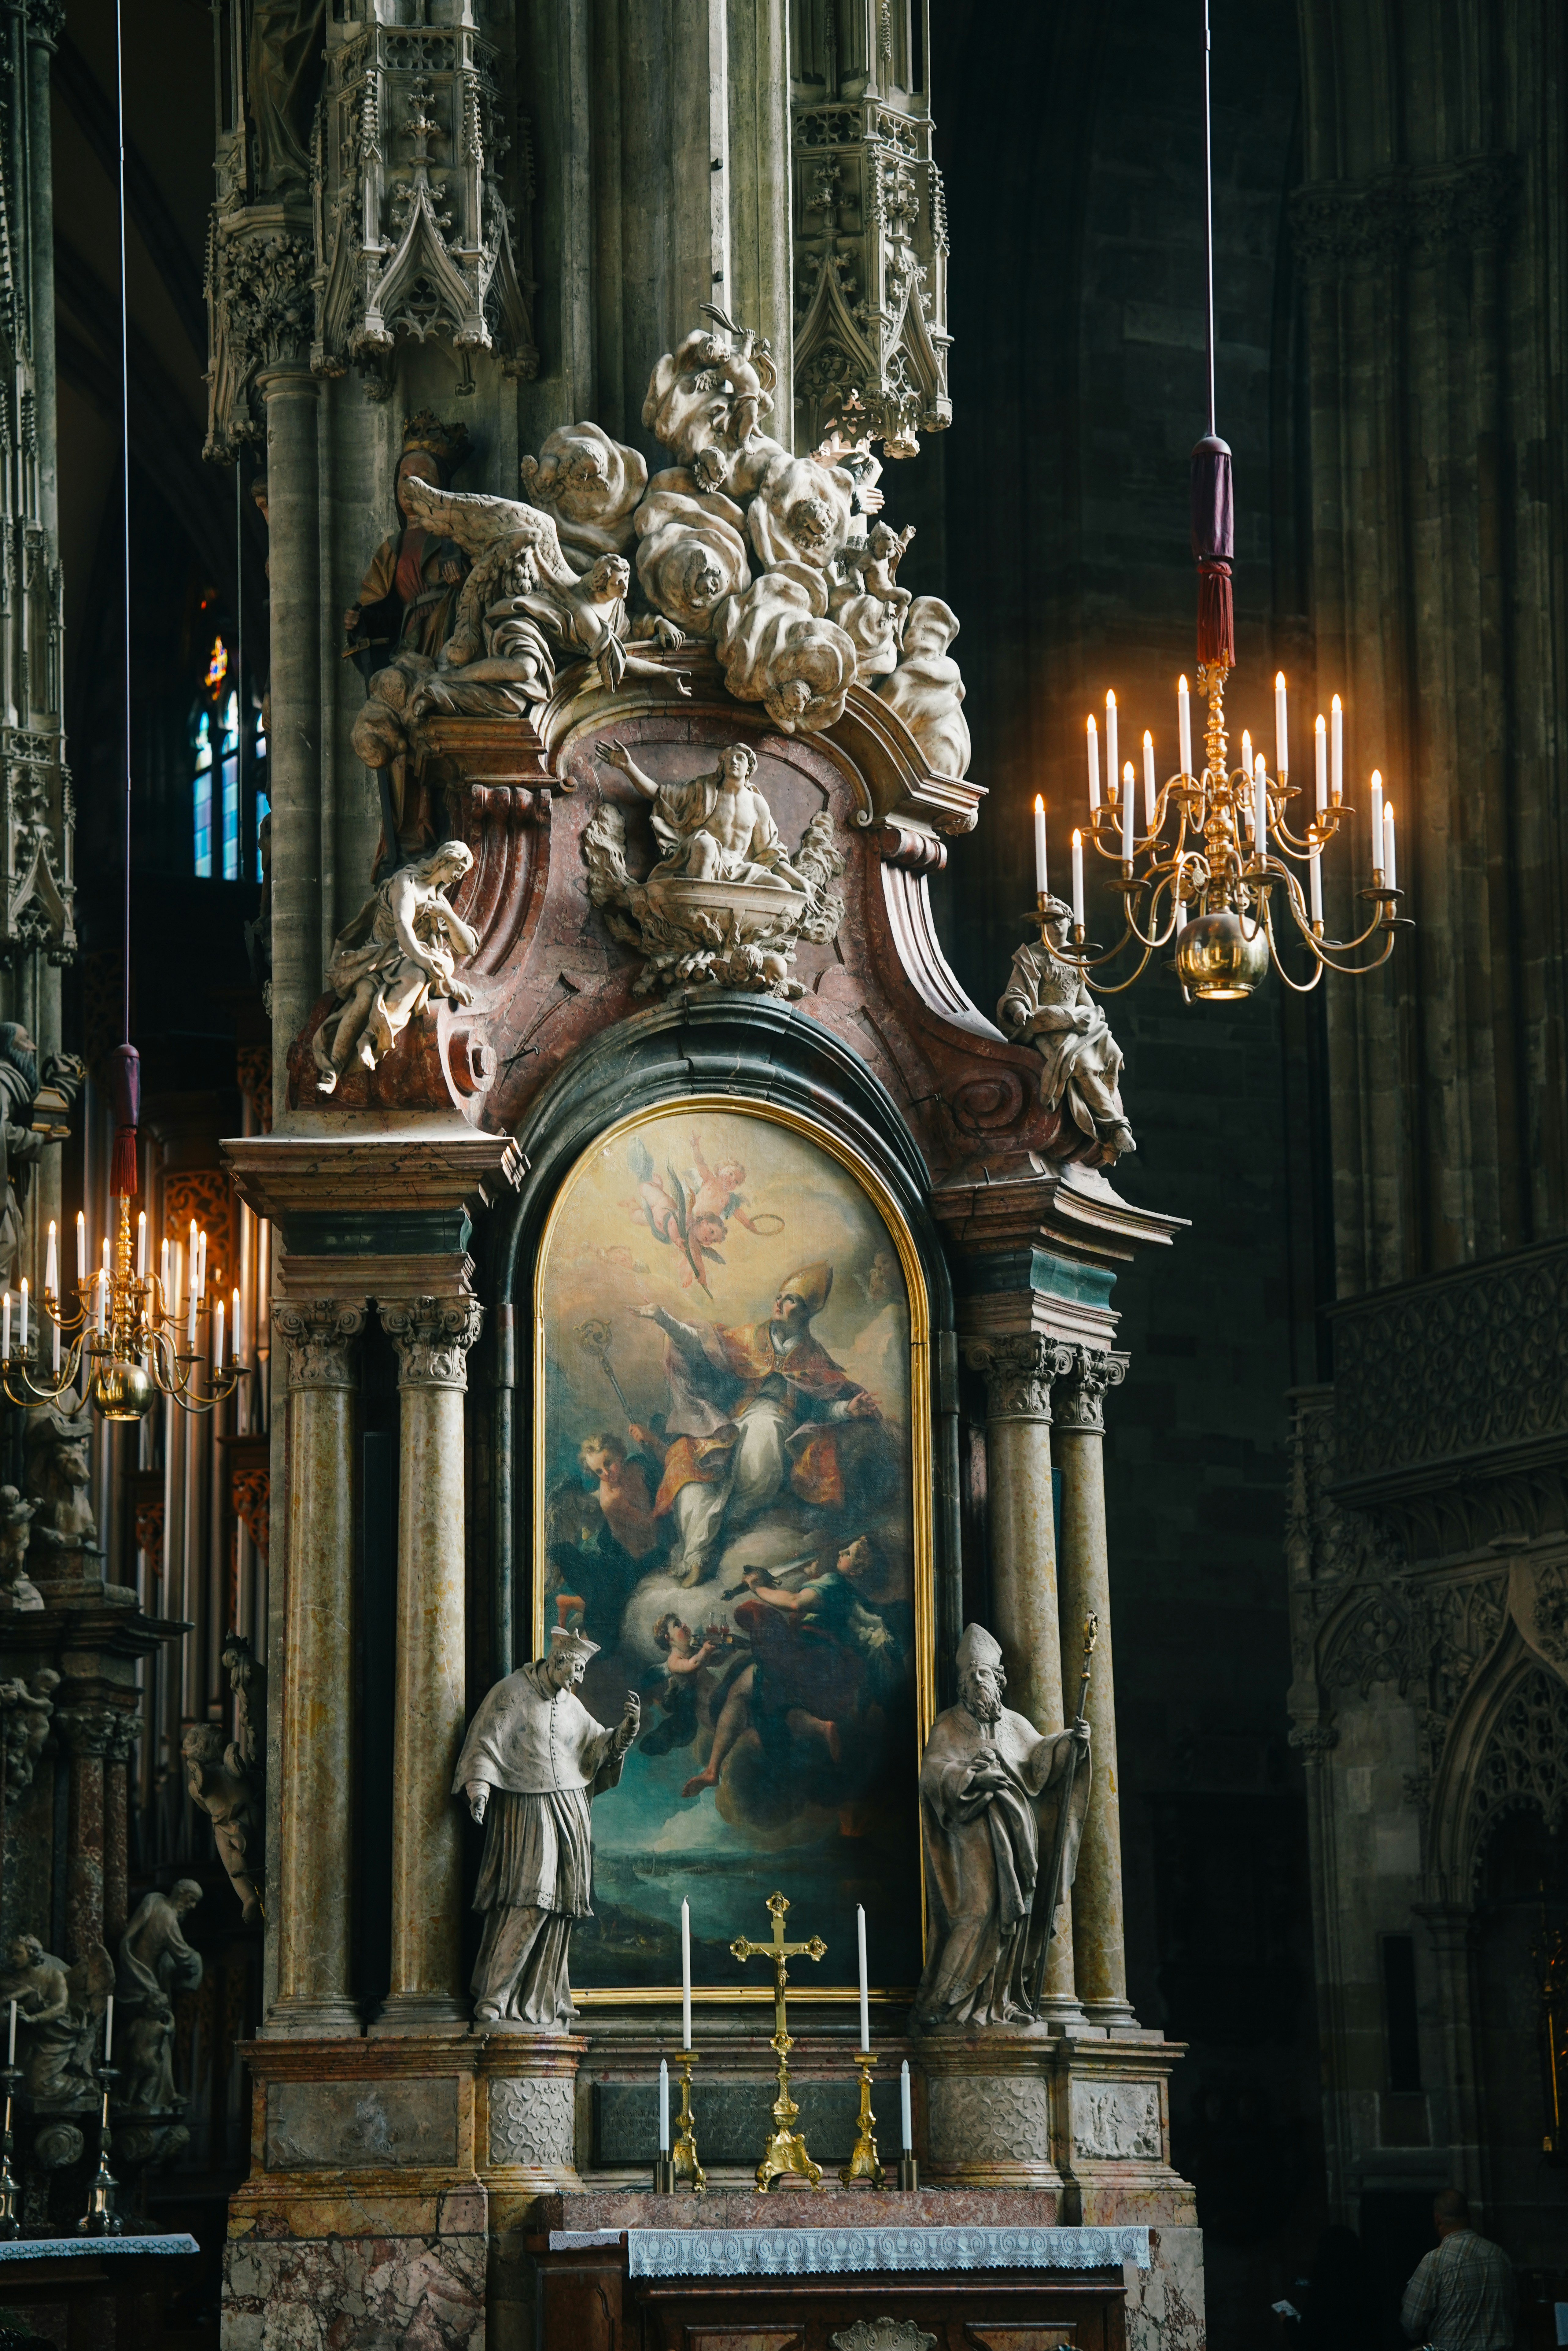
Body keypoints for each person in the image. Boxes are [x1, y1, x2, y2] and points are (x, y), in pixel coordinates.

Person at [633, 1261, 884, 1585]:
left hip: (778, 1421)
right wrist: (663, 1319)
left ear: (807, 1312)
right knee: (687, 1460)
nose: (779, 1303)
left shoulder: (813, 1357)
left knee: (762, 1438)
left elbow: (819, 1410)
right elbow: (701, 1344)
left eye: (790, 1299)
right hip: (731, 1421)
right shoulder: (751, 1336)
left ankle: (720, 1531)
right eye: (779, 1296)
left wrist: (847, 1409)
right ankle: (696, 1553)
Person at [453, 1627, 639, 2028]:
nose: (579, 1679)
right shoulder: (511, 1693)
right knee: (531, 1897)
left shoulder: (571, 1707)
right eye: (576, 1669)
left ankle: (542, 1995)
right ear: (556, 1661)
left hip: (570, 1810)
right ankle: (495, 1993)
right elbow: (486, 1743)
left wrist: (625, 1733)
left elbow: (596, 1749)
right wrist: (480, 1788)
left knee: (560, 1907)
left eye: (583, 1671)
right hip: (528, 1809)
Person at [914, 1621, 1089, 2030]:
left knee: (1015, 1918)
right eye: (970, 1675)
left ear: (999, 1680)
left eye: (985, 1674)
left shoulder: (1014, 1724)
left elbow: (1039, 1763)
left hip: (1016, 1838)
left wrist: (1071, 1744)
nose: (978, 1681)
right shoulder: (948, 1726)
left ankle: (1000, 2002)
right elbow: (932, 1774)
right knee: (979, 1911)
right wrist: (972, 1778)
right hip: (972, 1834)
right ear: (961, 1685)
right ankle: (945, 2003)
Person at [1400, 2190, 1515, 2351]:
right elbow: (1513, 2310)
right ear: (1469, 2216)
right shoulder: (1500, 2256)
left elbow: (1411, 2323)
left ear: (1437, 2219)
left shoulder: (1434, 2262)